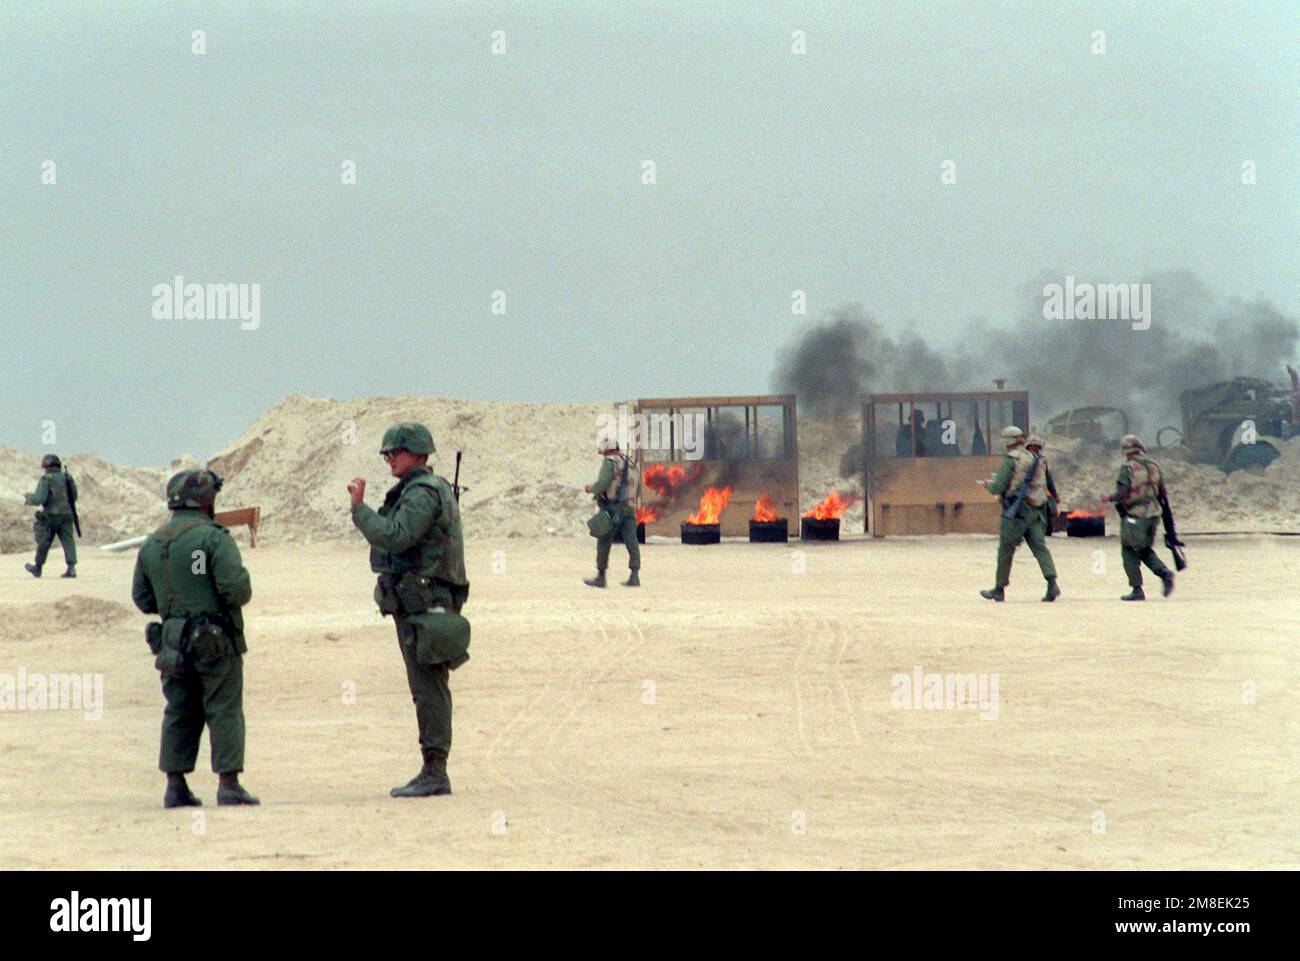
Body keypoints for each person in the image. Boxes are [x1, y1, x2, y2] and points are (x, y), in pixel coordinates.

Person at [349, 422, 469, 797]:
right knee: (427, 688)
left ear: (416, 454)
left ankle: (435, 771)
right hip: (418, 602)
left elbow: (396, 536)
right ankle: (433, 769)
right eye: (386, 453)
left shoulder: (421, 494)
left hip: (425, 604)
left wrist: (359, 510)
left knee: (428, 689)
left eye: (394, 453)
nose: (388, 459)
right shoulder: (424, 490)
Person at [131, 469, 258, 808]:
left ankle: (176, 785)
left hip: (172, 641)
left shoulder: (152, 543)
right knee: (223, 707)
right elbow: (236, 590)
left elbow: (143, 600)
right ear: (207, 501)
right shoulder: (214, 538)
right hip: (215, 641)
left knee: (179, 710)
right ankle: (228, 784)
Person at [977, 426, 1060, 602]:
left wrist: (988, 485)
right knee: (1040, 548)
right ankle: (1052, 584)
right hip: (1036, 511)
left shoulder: (1011, 460)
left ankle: (999, 589)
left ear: (1008, 441)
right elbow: (1047, 483)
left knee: (1006, 549)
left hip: (1016, 513)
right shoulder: (1037, 458)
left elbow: (998, 487)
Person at [1102, 434, 1174, 601]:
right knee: (1143, 548)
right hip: (1154, 514)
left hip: (1135, 514)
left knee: (1129, 550)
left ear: (1125, 451)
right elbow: (1162, 493)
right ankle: (1164, 573)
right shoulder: (1154, 466)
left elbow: (1123, 493)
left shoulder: (1128, 468)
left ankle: (1138, 588)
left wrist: (1109, 498)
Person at [583, 429, 640, 588]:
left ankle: (601, 577)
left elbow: (602, 484)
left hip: (613, 508)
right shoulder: (631, 463)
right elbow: (639, 488)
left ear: (606, 450)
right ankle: (634, 576)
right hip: (629, 508)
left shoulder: (609, 462)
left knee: (603, 539)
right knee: (631, 541)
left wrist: (591, 488)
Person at [24, 454, 78, 578]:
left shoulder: (46, 479)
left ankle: (38, 567)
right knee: (68, 541)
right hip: (67, 514)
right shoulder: (67, 477)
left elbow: (39, 498)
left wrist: (28, 497)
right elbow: (74, 496)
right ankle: (71, 568)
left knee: (44, 541)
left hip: (51, 516)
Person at [1025, 435, 1059, 533]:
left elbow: (1048, 478)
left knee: (1046, 512)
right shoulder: (1023, 459)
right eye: (1033, 446)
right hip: (1027, 493)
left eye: (1037, 446)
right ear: (1028, 447)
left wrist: (1055, 495)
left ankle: (1044, 532)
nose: (1035, 448)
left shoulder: (1042, 460)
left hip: (1041, 493)